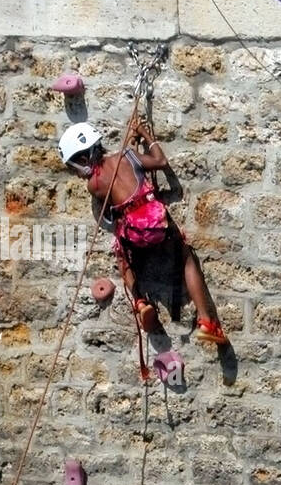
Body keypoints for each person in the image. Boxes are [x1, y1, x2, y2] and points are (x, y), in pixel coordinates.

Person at [58, 119, 228, 346]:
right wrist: (145, 134)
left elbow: (110, 214)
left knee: (122, 256)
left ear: (82, 158)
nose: (78, 175)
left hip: (135, 233)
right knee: (186, 258)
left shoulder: (94, 184)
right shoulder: (128, 156)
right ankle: (206, 320)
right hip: (157, 223)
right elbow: (160, 161)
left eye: (75, 168)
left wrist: (131, 141)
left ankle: (140, 301)